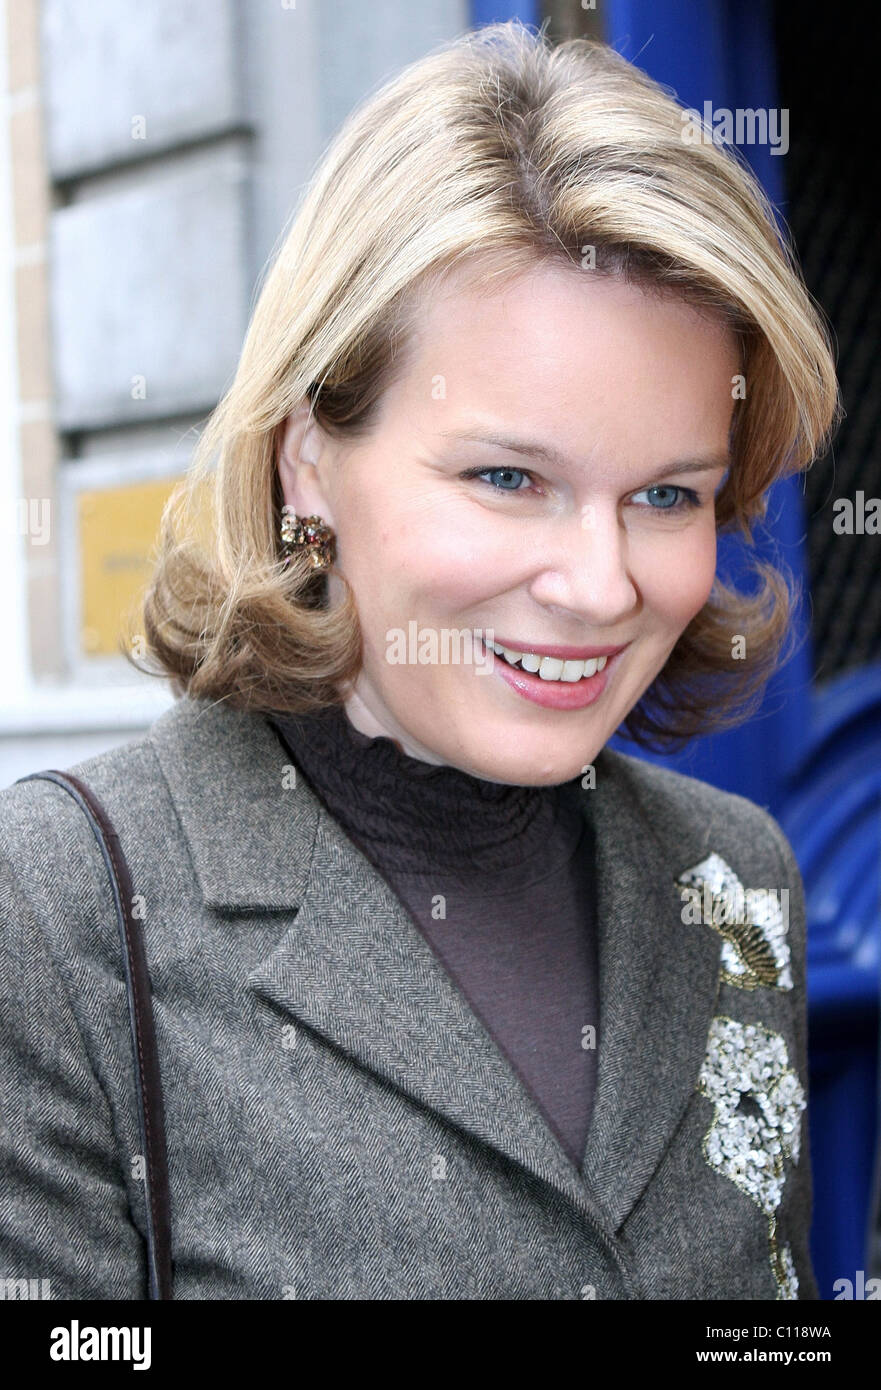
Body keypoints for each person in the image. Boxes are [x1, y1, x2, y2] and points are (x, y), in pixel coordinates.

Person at [0, 21, 840, 1300]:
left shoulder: (739, 880)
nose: (599, 583)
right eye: (507, 478)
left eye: (667, 496)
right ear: (308, 462)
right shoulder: (58, 910)